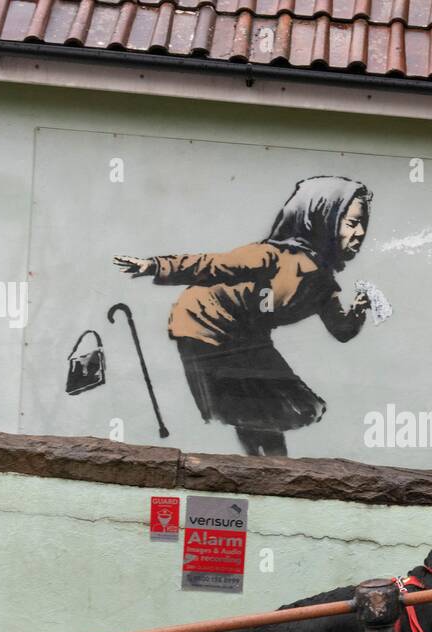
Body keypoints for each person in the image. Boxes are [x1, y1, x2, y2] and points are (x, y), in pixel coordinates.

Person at [114, 176, 373, 456]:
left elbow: (341, 329)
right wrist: (153, 266)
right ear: (323, 219)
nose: (360, 232)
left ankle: (271, 471)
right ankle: (259, 470)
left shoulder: (323, 282)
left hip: (249, 336)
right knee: (251, 408)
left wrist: (359, 309)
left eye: (363, 224)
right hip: (206, 325)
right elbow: (210, 265)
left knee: (279, 407)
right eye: (351, 222)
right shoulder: (271, 256)